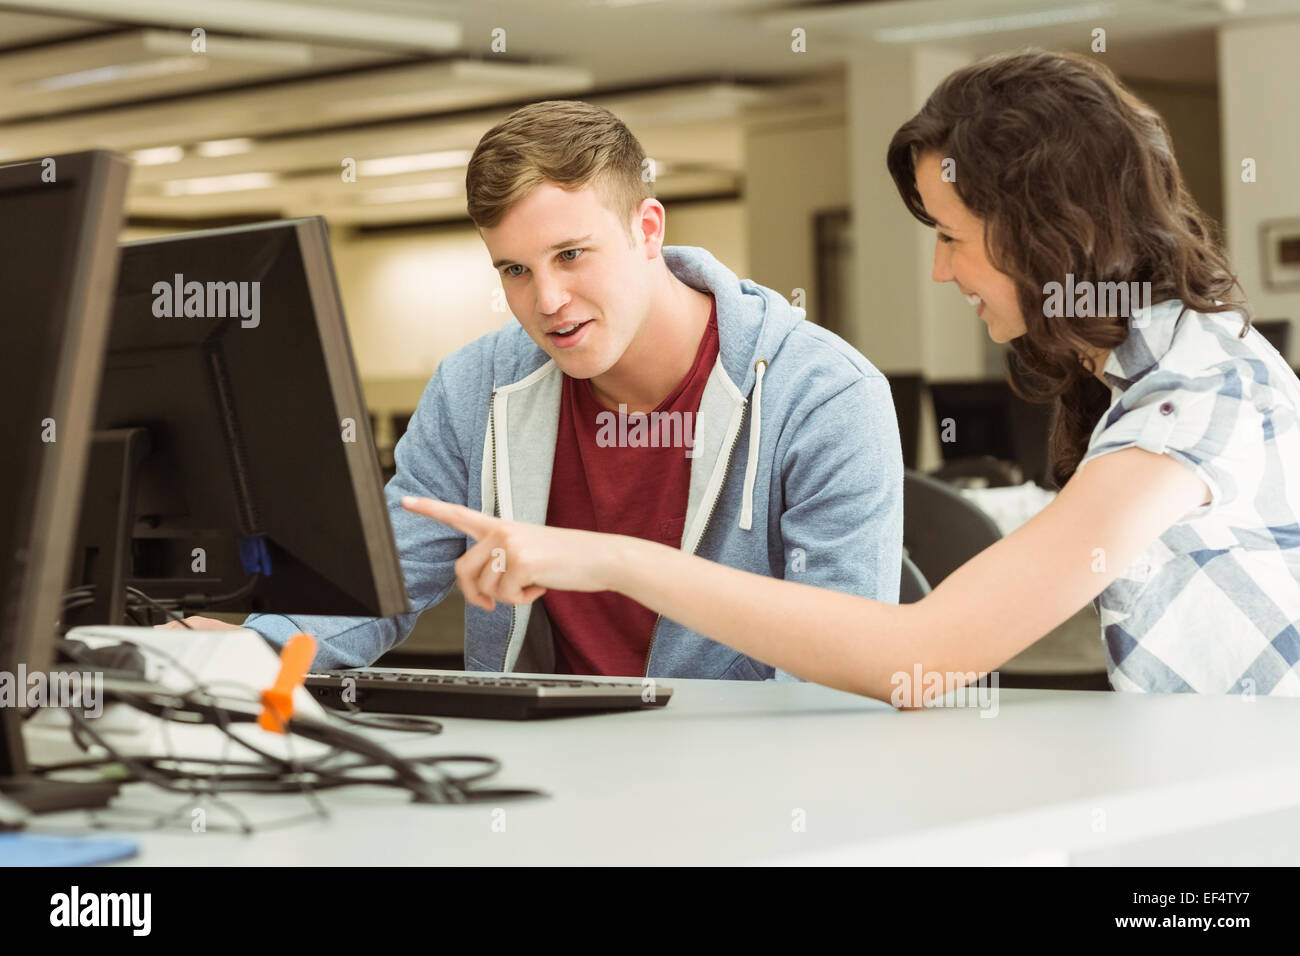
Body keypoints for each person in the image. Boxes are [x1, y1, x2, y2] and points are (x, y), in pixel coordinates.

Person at [403, 51, 1300, 701]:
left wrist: (610, 561)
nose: (942, 272)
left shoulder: (1190, 404)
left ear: (1048, 232)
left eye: (951, 236)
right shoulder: (1158, 376)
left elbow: (932, 655)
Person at [166, 99, 904, 679]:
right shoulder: (475, 387)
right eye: (514, 270)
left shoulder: (824, 397)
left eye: (571, 254)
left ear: (648, 228)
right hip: (542, 772)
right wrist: (250, 654)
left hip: (746, 785)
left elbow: (842, 658)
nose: (546, 300)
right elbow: (378, 587)